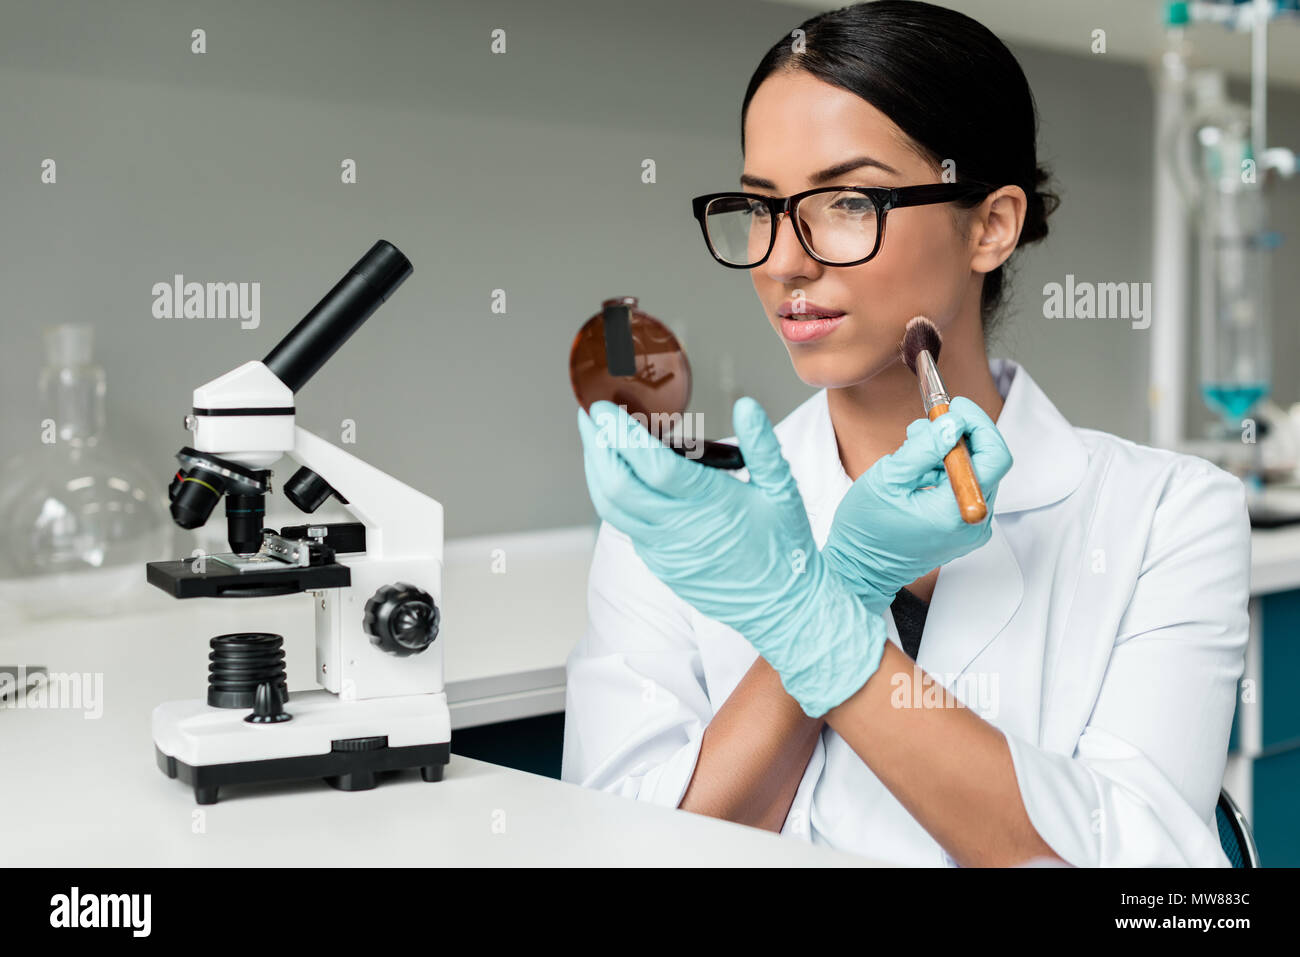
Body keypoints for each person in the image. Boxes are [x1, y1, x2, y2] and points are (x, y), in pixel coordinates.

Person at [562, 0, 1249, 867]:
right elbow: (625, 854)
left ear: (991, 226)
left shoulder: (1168, 519)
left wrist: (817, 627)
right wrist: (834, 593)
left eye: (847, 201)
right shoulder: (687, 524)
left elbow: (1145, 890)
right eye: (761, 207)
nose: (783, 261)